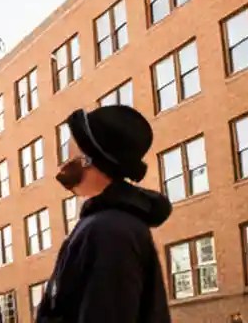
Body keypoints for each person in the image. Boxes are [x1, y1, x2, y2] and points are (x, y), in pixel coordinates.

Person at [36, 106, 173, 323]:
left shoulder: (108, 231)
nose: (63, 164)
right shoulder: (105, 226)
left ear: (88, 160)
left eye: (70, 154)